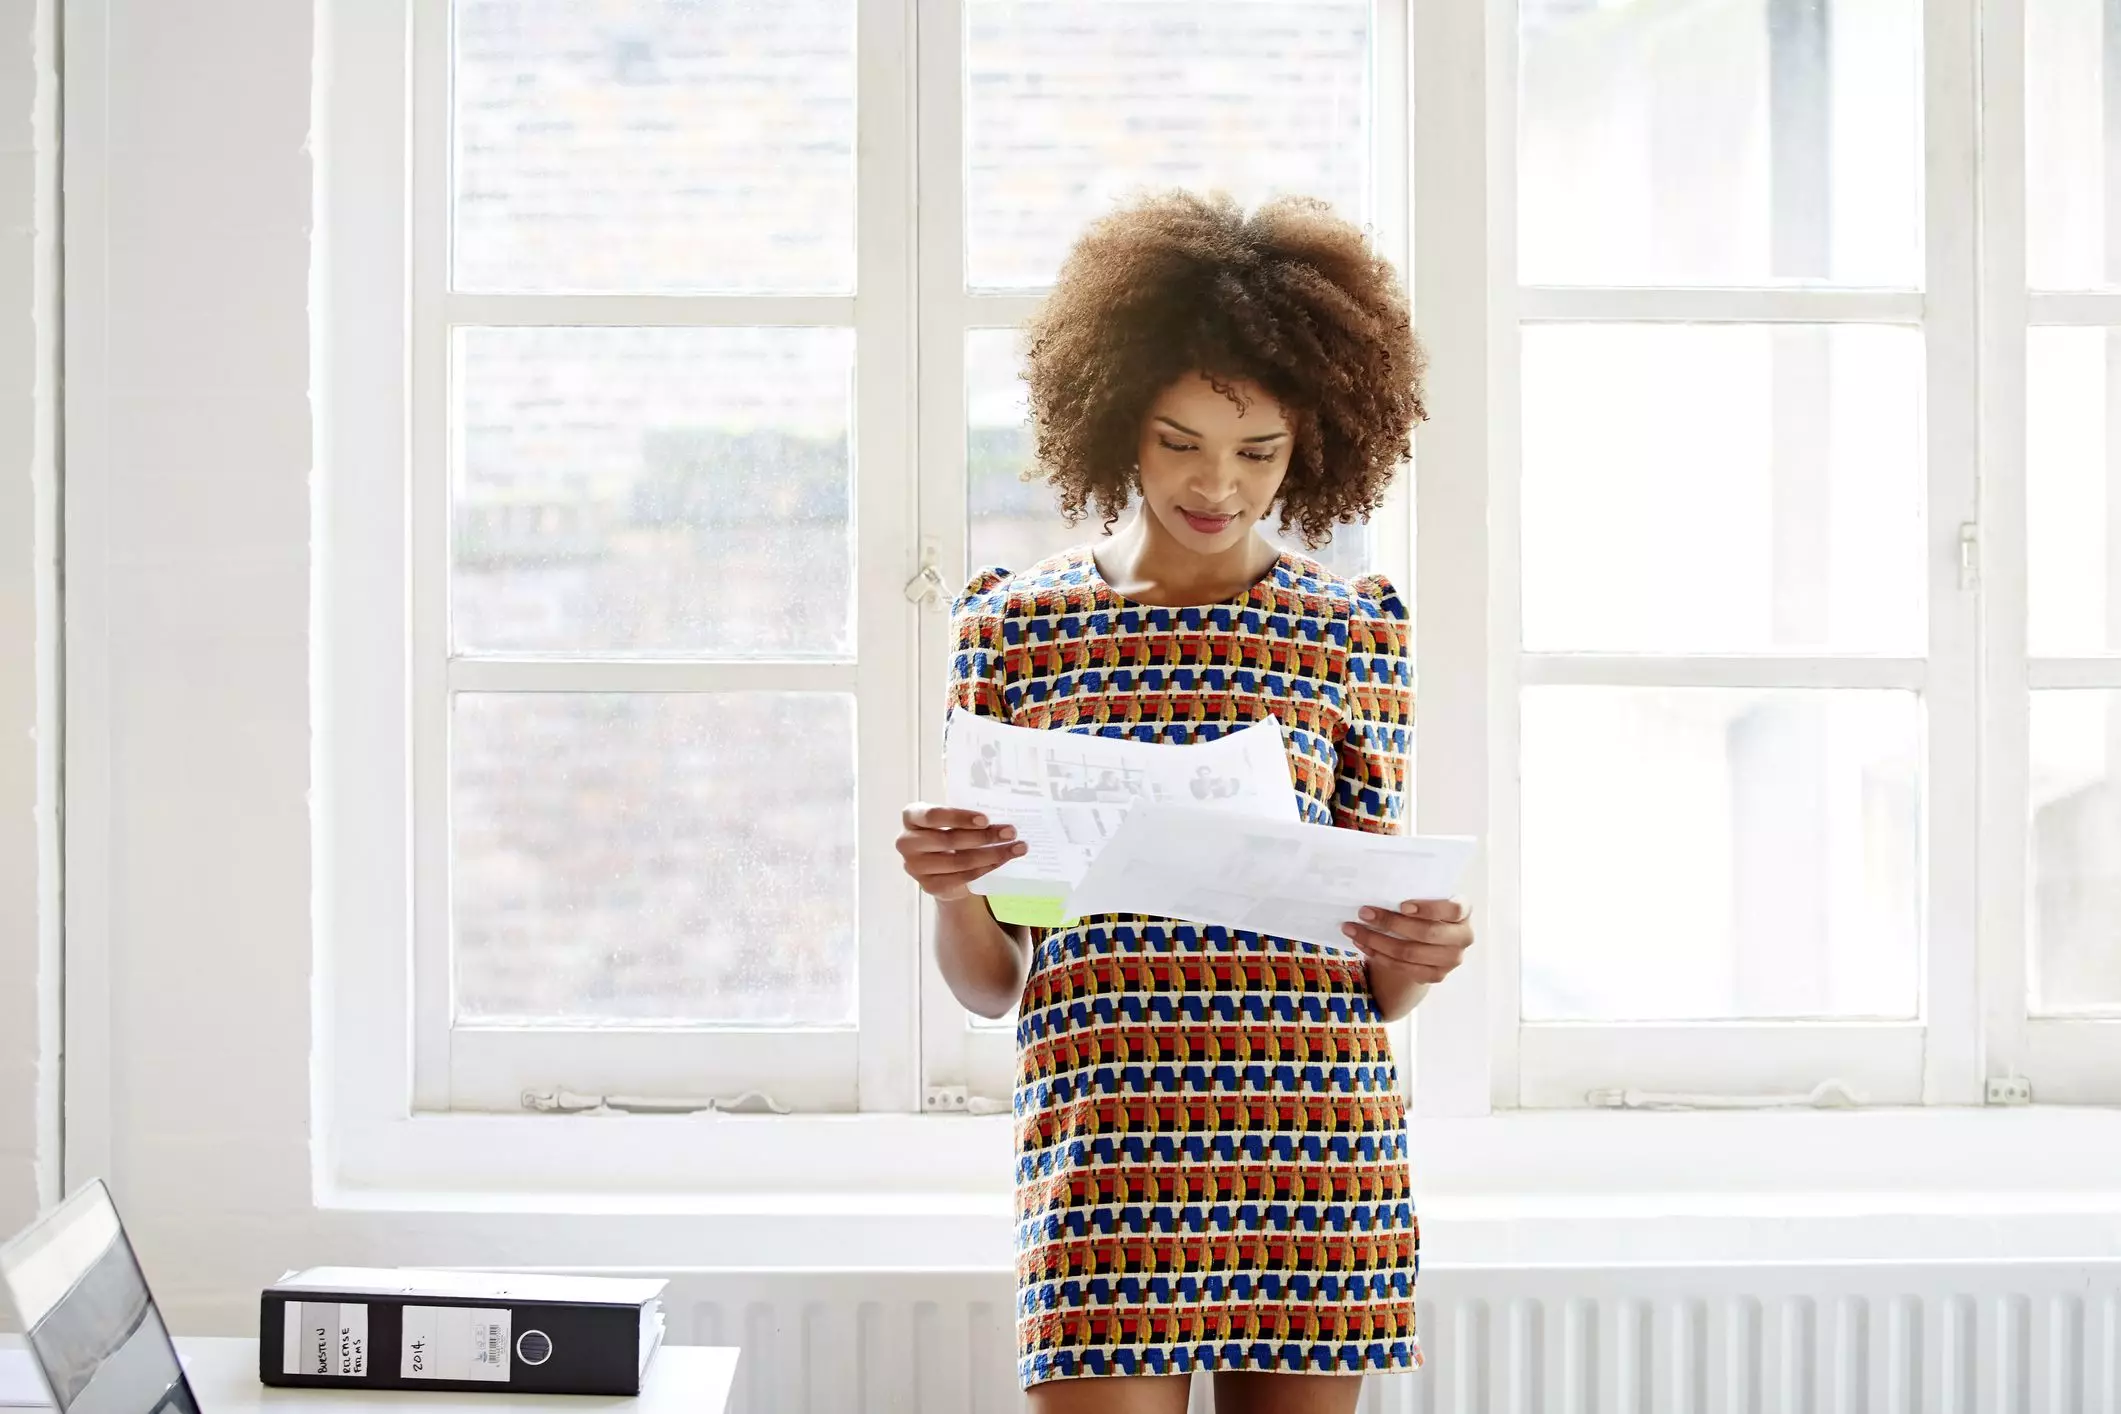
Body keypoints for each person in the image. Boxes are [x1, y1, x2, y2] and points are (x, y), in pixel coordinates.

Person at [894, 191, 1476, 1414]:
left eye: (1258, 450)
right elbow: (997, 980)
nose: (1219, 483)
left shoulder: (1354, 633)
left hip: (1313, 1144)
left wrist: (1421, 951)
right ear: (1115, 420)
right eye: (1180, 441)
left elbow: (1377, 969)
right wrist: (955, 898)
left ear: (1314, 439)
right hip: (1105, 1142)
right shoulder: (1012, 627)